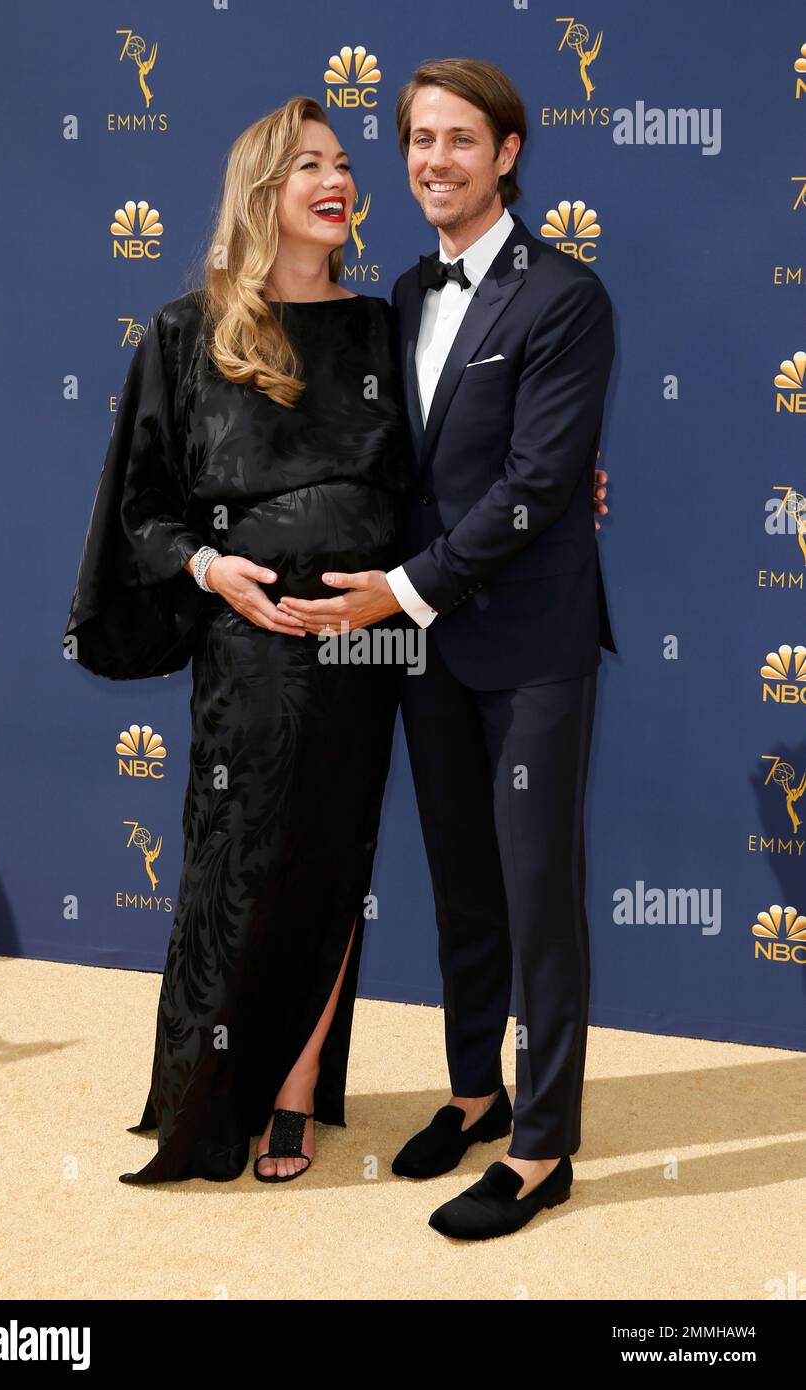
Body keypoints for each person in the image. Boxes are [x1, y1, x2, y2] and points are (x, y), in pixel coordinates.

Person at [277, 60, 616, 1237]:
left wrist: (405, 592)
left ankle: (543, 1146)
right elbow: (411, 465)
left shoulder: (566, 296)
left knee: (537, 896)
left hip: (528, 648)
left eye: (459, 141)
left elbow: (533, 484)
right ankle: (477, 1089)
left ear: (508, 153)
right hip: (427, 653)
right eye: (418, 141)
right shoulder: (407, 295)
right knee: (463, 890)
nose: (433, 162)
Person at [63, 96, 415, 1184]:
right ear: (262, 190)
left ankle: (299, 1087)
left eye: (348, 164)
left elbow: (440, 469)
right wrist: (213, 569)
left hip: (363, 639)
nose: (339, 180)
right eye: (310, 163)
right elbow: (143, 506)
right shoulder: (190, 331)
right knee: (240, 853)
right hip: (251, 644)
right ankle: (213, 1087)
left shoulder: (380, 329)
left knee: (335, 849)